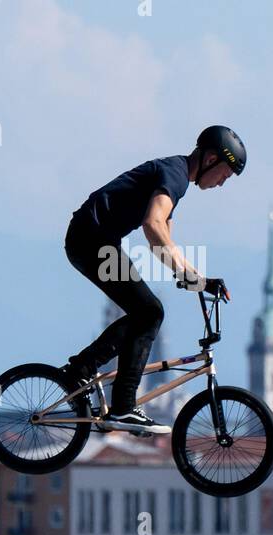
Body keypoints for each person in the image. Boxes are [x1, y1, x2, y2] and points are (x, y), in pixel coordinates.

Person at [61, 125, 246, 435]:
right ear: (212, 159)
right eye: (224, 175)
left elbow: (164, 243)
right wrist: (191, 276)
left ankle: (83, 370)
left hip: (93, 239)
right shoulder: (174, 175)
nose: (221, 184)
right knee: (149, 312)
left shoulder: (175, 180)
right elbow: (153, 226)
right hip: (90, 240)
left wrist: (197, 280)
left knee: (145, 311)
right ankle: (119, 404)